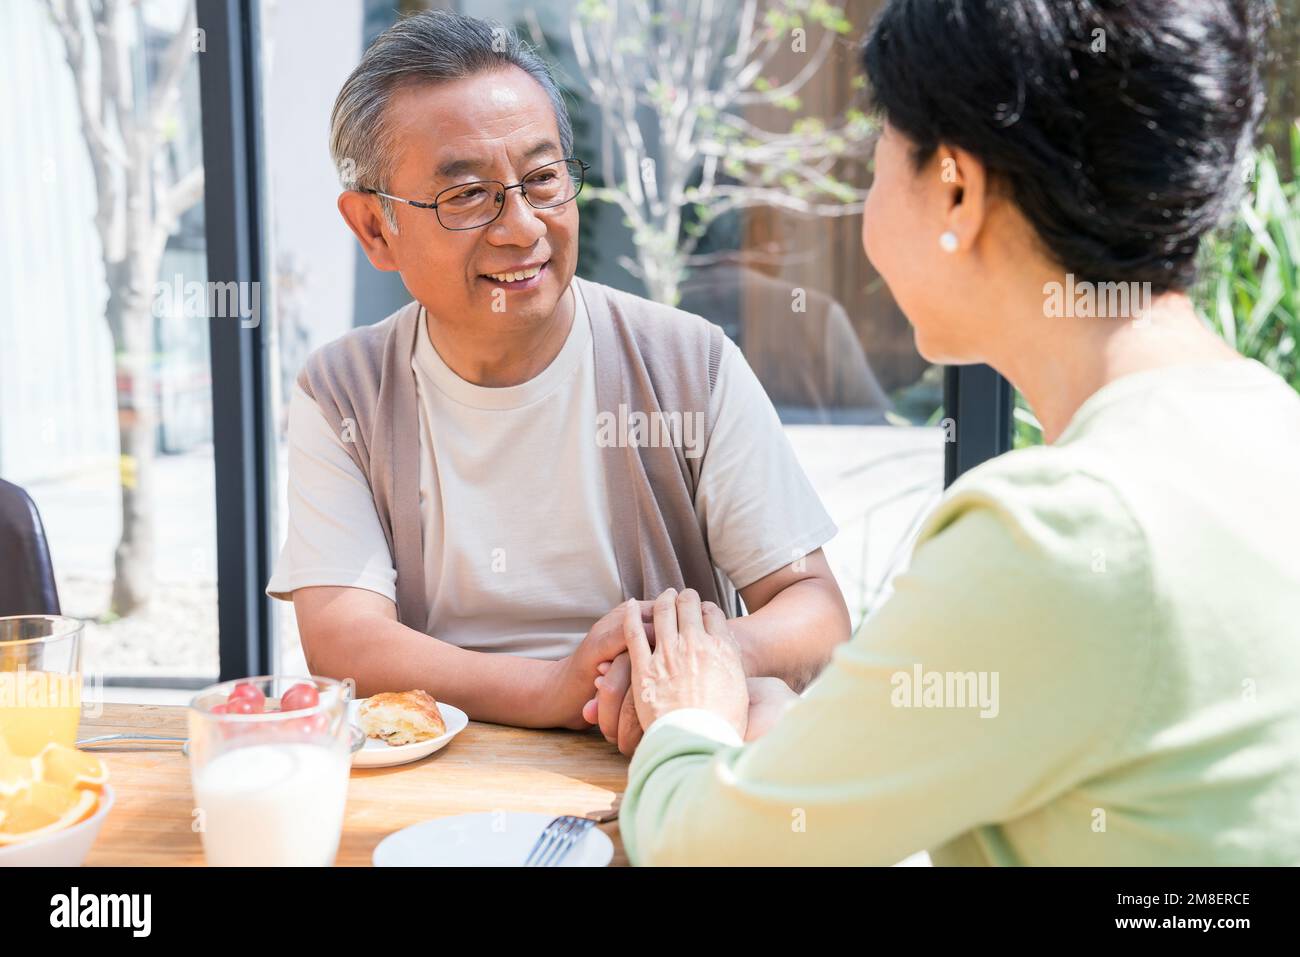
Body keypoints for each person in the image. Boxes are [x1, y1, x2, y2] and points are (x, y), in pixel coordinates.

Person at [618, 0, 1300, 865]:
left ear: (954, 188)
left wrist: (688, 711)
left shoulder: (1066, 530)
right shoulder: (1268, 422)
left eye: (876, 165)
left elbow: (701, 851)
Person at [265, 10, 850, 737]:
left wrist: (684, 661)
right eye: (467, 195)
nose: (522, 227)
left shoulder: (687, 363)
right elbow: (345, 641)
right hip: (438, 772)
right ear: (375, 229)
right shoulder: (343, 392)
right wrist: (555, 688)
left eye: (542, 178)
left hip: (655, 754)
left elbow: (816, 609)